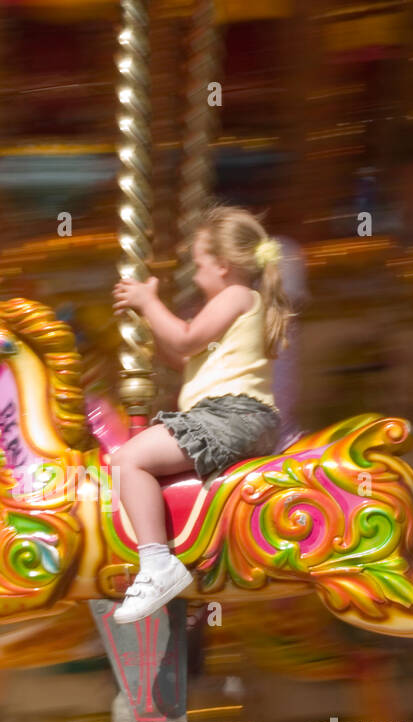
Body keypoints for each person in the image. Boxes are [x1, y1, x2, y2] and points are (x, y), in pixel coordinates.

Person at [110, 204, 299, 623]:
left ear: (224, 266)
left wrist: (147, 300)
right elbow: (185, 354)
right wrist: (151, 323)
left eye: (199, 265)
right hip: (240, 417)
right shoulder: (247, 301)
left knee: (126, 460)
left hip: (230, 415)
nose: (194, 276)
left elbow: (185, 338)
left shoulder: (235, 295)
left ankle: (157, 564)